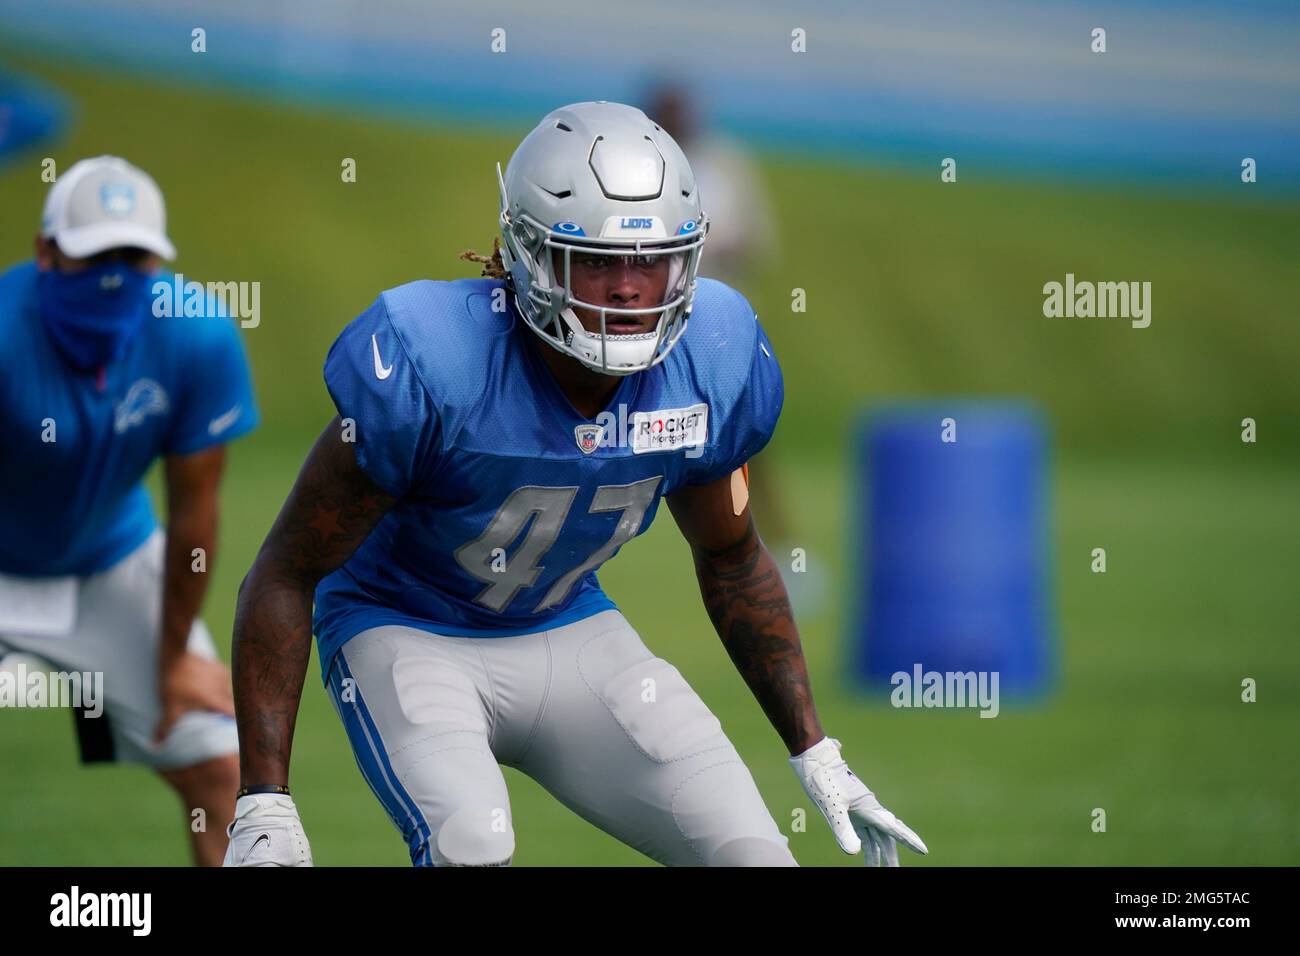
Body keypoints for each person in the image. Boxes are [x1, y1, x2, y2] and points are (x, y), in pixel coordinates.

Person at [225, 102, 926, 867]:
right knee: (471, 843)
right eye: (596, 260)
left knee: (755, 854)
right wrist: (264, 800)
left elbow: (732, 558)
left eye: (651, 259)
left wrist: (814, 749)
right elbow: (287, 571)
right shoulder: (438, 363)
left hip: (568, 629)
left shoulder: (711, 364)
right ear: (529, 254)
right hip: (405, 629)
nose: (629, 289)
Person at [0, 155, 259, 866]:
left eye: (132, 255)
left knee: (227, 777)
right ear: (46, 253)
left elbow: (195, 512)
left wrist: (173, 656)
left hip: (109, 561)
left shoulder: (195, 335)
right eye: (94, 256)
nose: (115, 274)